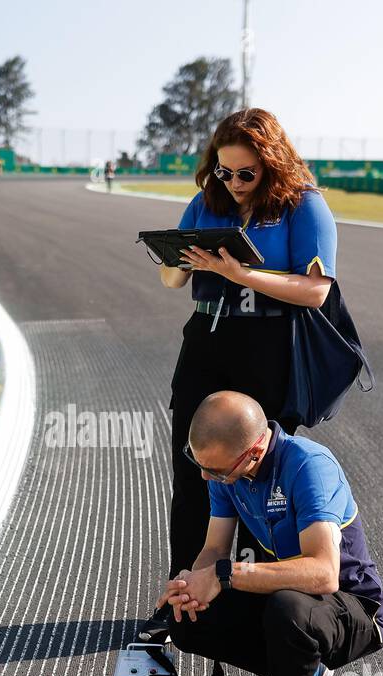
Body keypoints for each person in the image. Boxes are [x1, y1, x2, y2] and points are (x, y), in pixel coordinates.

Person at [139, 107, 340, 639]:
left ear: (272, 163)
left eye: (245, 173)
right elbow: (170, 283)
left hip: (267, 345)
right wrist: (178, 260)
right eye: (223, 172)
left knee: (260, 476)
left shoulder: (305, 206)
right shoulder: (205, 203)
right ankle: (183, 595)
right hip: (205, 342)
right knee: (194, 475)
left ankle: (253, 596)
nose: (233, 183)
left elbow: (317, 291)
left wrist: (242, 273)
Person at [158, 390, 383, 676]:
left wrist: (225, 575)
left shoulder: (308, 467)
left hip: (350, 609)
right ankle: (302, 670)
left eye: (216, 470)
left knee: (290, 610)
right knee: (187, 619)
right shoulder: (230, 472)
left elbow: (322, 573)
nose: (206, 478)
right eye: (199, 464)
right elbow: (214, 549)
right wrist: (193, 582)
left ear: (254, 451)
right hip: (290, 596)